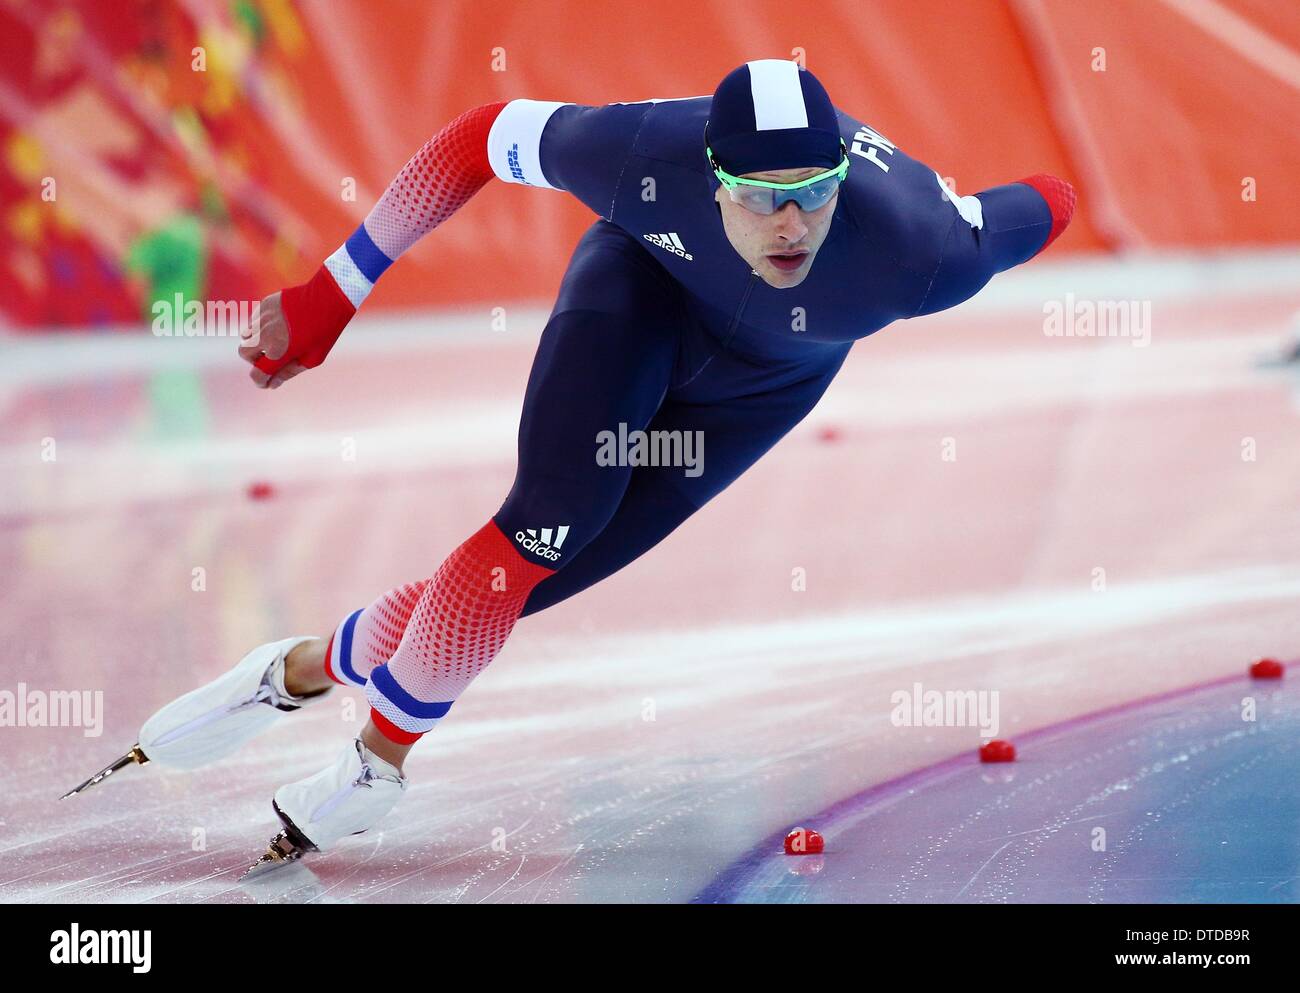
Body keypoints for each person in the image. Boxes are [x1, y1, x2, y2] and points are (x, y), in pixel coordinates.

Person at [67, 60, 1075, 873]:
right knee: (539, 528)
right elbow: (475, 138)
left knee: (526, 585)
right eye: (759, 197)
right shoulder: (640, 150)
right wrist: (337, 288)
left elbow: (1042, 202)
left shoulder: (925, 248)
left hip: (758, 395)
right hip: (637, 298)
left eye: (811, 197)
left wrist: (1055, 190)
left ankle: (294, 672)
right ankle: (376, 766)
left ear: (841, 185)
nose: (788, 226)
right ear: (709, 176)